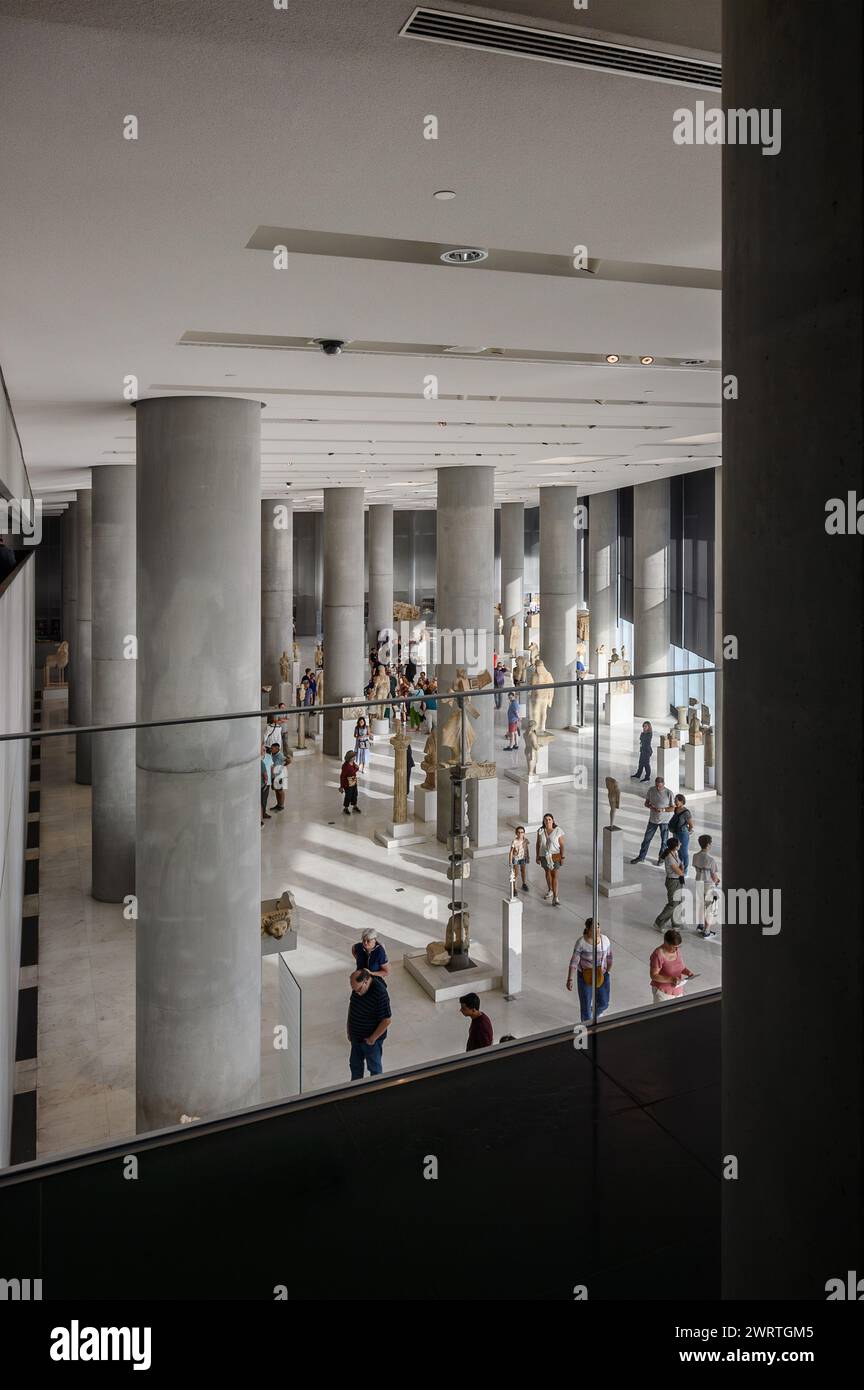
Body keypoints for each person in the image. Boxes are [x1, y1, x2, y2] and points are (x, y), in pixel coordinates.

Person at [347, 969, 392, 1079]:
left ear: (366, 981)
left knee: (374, 1068)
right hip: (356, 1037)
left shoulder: (380, 992)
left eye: (358, 989)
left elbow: (386, 1020)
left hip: (371, 1041)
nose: (357, 992)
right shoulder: (357, 989)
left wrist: (372, 1039)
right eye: (354, 990)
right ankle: (356, 1091)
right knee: (355, 1065)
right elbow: (351, 1007)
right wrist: (349, 1029)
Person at [566, 918, 613, 1023]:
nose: (597, 930)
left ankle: (594, 1014)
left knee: (604, 1003)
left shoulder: (605, 940)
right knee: (586, 1006)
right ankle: (588, 1026)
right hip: (585, 977)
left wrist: (608, 971)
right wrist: (570, 979)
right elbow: (574, 961)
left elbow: (609, 956)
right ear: (587, 929)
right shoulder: (581, 942)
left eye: (598, 927)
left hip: (602, 974)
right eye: (593, 929)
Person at [630, 776, 674, 863]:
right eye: (657, 786)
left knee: (664, 842)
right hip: (653, 820)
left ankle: (661, 858)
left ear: (664, 784)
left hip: (665, 821)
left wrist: (663, 810)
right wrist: (651, 807)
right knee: (646, 839)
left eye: (660, 786)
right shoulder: (651, 790)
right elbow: (646, 803)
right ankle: (641, 857)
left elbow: (673, 808)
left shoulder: (669, 793)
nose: (658, 788)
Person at [649, 929, 695, 1005]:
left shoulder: (676, 951)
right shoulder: (657, 955)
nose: (676, 949)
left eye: (678, 947)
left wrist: (688, 972)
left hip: (678, 991)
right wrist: (671, 979)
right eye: (674, 947)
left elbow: (681, 967)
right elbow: (653, 976)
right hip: (663, 994)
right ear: (666, 943)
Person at [653, 837, 686, 932]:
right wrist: (682, 869)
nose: (681, 844)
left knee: (678, 902)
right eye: (679, 843)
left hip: (677, 881)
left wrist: (681, 869)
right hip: (673, 882)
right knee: (672, 904)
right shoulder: (670, 857)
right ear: (675, 846)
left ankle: (676, 923)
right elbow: (680, 872)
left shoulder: (675, 853)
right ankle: (658, 923)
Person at [693, 833, 721, 939]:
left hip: (698, 883)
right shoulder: (711, 860)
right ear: (708, 844)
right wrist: (717, 880)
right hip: (708, 885)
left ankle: (700, 925)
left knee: (701, 905)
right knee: (710, 908)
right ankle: (707, 931)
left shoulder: (695, 856)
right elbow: (714, 876)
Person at [536, 812, 564, 906]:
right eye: (546, 819)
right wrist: (537, 856)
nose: (547, 821)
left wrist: (562, 856)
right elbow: (538, 844)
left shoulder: (558, 830)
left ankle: (555, 897)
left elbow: (562, 845)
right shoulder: (540, 830)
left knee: (554, 875)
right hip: (544, 855)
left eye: (549, 819)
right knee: (547, 872)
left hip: (555, 855)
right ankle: (550, 890)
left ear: (553, 820)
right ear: (543, 821)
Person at [668, 794, 694, 872]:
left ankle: (685, 871)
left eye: (676, 801)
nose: (675, 802)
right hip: (676, 833)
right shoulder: (676, 809)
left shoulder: (686, 812)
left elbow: (691, 825)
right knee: (678, 851)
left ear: (682, 801)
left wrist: (688, 832)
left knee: (684, 852)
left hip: (683, 834)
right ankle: (680, 867)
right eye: (675, 801)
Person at [508, 826, 530, 892]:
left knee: (523, 871)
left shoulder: (526, 840)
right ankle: (515, 888)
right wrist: (510, 861)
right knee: (516, 873)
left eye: (522, 832)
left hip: (523, 858)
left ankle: (524, 884)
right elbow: (511, 851)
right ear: (516, 833)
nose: (520, 834)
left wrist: (528, 857)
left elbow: (526, 849)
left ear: (524, 833)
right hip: (516, 858)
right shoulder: (514, 841)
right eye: (519, 832)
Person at [340, 750, 361, 814]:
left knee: (355, 794)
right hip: (347, 784)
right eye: (353, 757)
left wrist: (357, 768)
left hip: (353, 781)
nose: (354, 758)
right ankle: (345, 808)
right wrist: (341, 786)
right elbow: (342, 776)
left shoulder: (353, 763)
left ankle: (355, 806)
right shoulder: (345, 766)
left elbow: (354, 771)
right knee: (348, 795)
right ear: (350, 757)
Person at [270, 741, 286, 812]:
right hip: (274, 776)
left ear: (277, 748)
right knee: (276, 791)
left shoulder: (280, 755)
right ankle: (278, 804)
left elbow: (288, 760)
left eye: (272, 748)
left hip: (279, 776)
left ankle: (281, 805)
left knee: (280, 791)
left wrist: (282, 766)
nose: (271, 749)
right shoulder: (273, 754)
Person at [260, 742, 273, 825]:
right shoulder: (257, 759)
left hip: (267, 783)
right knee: (259, 801)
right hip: (260, 784)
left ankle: (263, 813)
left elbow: (271, 768)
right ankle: (260, 816)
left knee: (264, 800)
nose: (264, 750)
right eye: (262, 749)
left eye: (264, 749)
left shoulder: (268, 757)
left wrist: (272, 779)